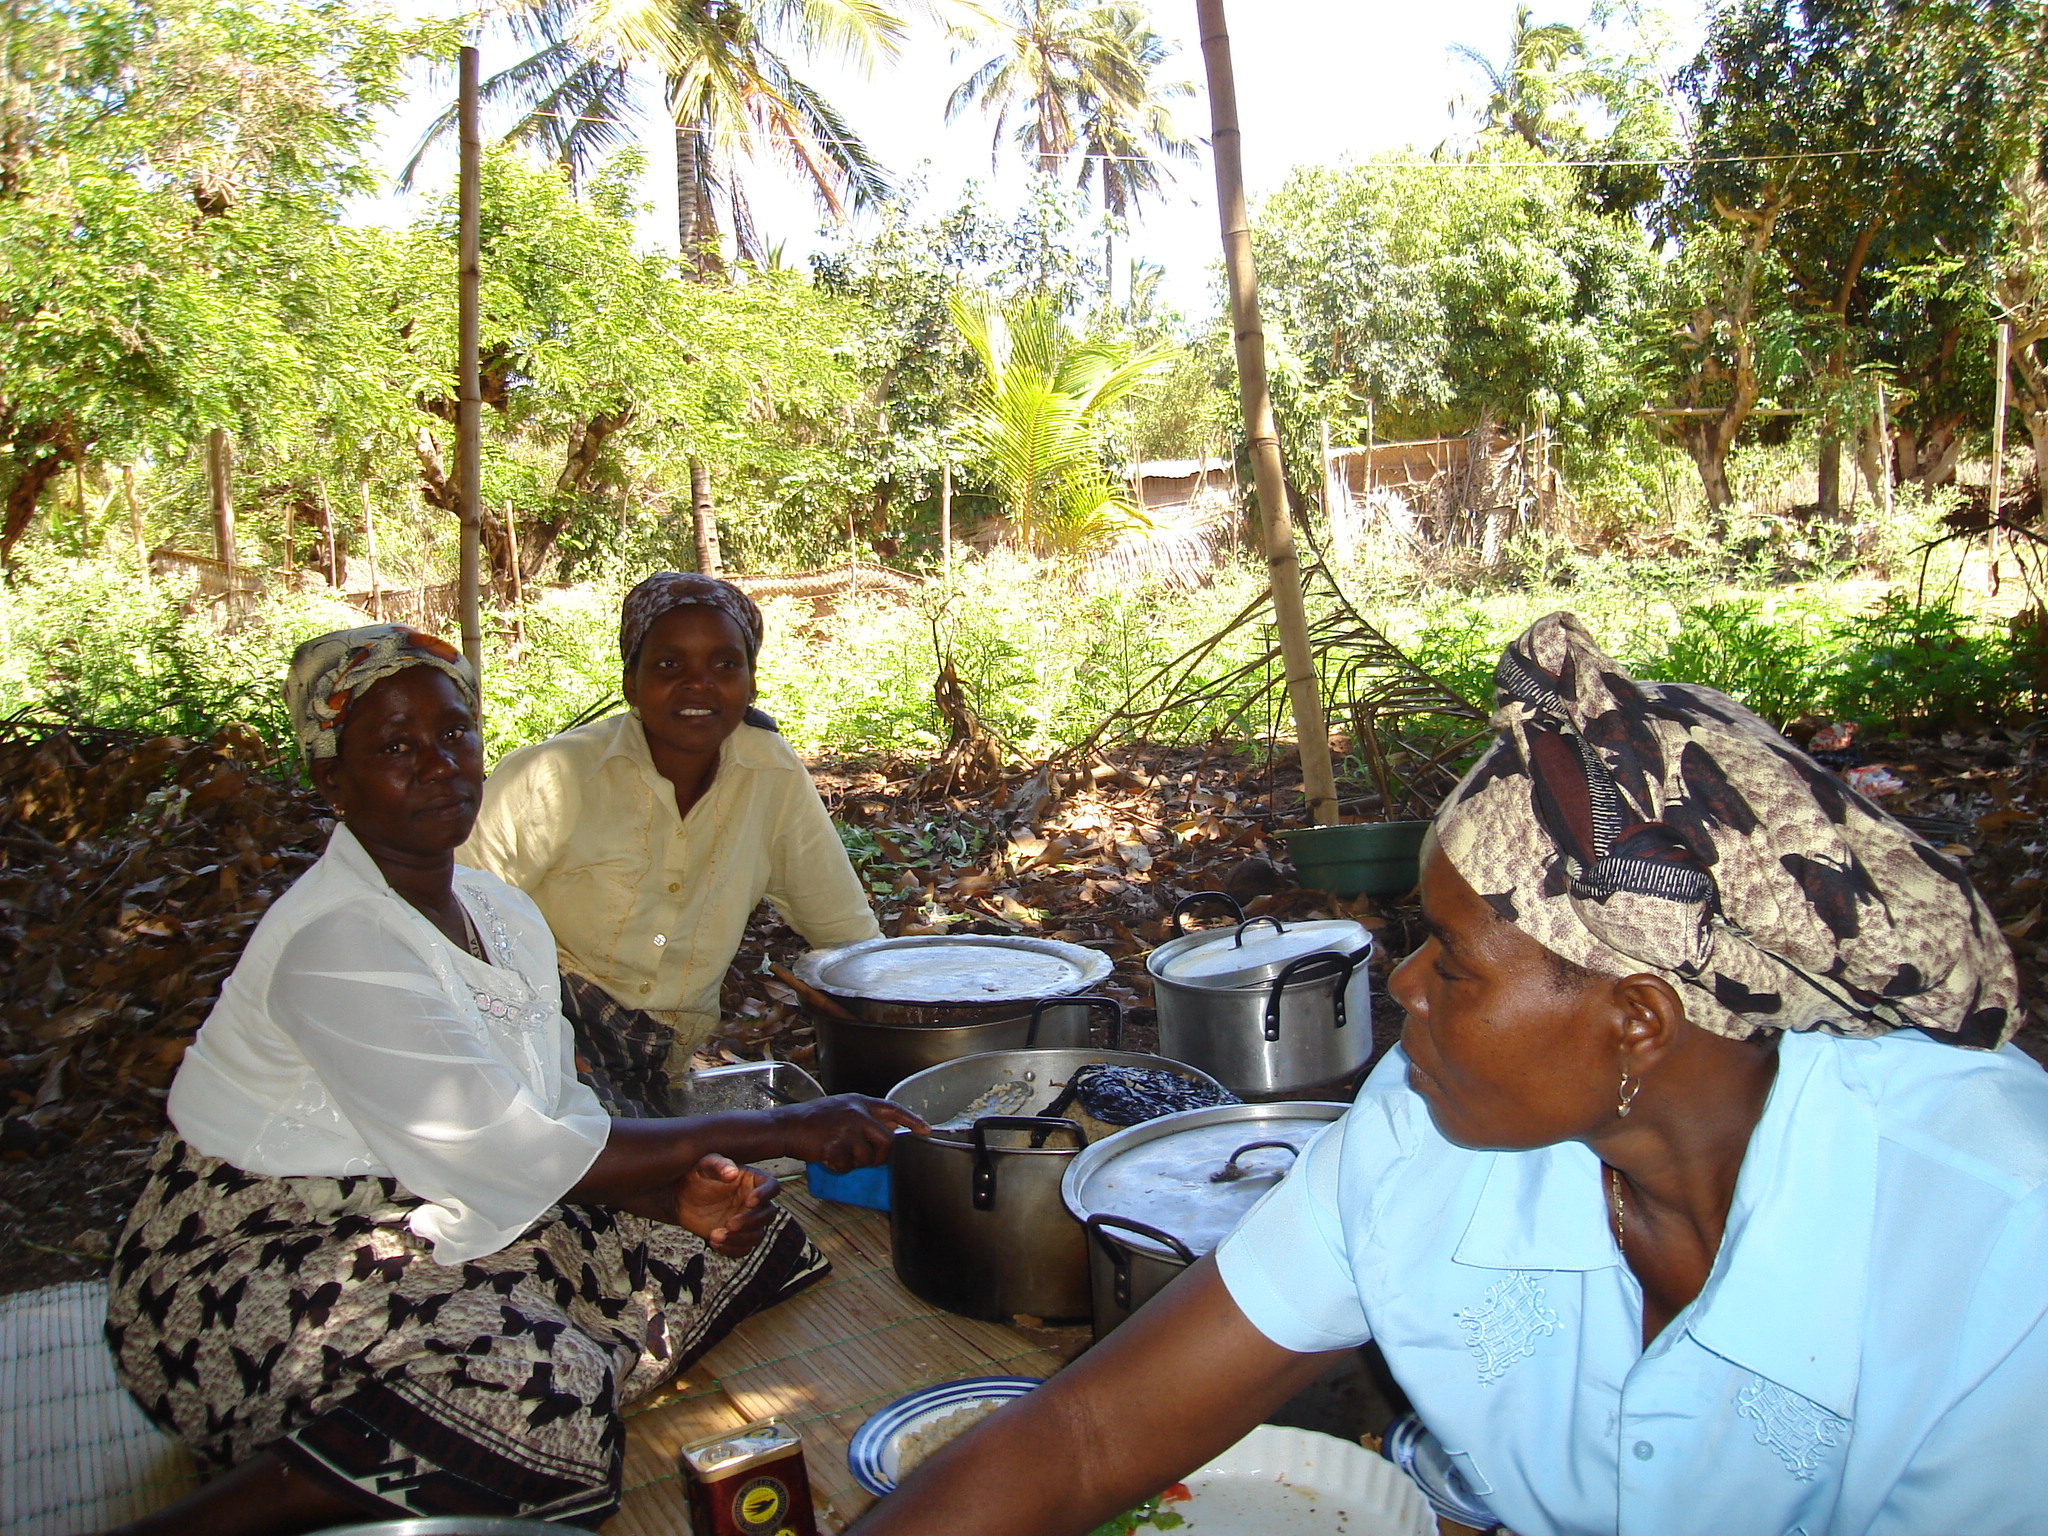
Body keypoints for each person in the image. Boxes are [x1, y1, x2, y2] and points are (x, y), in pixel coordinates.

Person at [850, 613, 2048, 1536]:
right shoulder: (1417, 1134)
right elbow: (1086, 1432)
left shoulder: (1994, 1232)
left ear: (1636, 1020)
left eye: (1455, 965)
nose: (1403, 989)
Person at [104, 624, 924, 1536]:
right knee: (544, 1397)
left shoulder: (494, 909)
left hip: (431, 1198)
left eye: (455, 735)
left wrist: (665, 1201)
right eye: (396, 748)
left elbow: (556, 1109)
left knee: (731, 1244)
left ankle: (442, 1413)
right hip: (264, 1259)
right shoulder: (337, 940)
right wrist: (783, 1128)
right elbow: (518, 1149)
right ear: (331, 781)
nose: (440, 765)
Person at [460, 572, 881, 1116]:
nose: (697, 684)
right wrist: (536, 1042)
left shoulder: (769, 775)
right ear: (631, 682)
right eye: (668, 665)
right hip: (542, 1021)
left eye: (725, 665)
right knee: (591, 1158)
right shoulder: (553, 775)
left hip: (657, 1059)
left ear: (751, 682)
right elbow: (455, 916)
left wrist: (893, 1030)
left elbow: (846, 936)